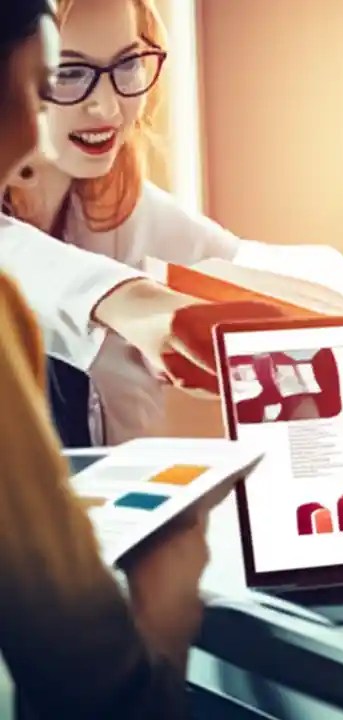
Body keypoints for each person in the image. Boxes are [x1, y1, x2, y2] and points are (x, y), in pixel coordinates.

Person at [0, 0, 214, 715]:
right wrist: (165, 610)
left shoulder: (140, 214)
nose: (104, 103)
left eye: (128, 66)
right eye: (56, 79)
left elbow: (257, 273)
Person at [2, 0, 257, 446]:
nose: (107, 107)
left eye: (128, 63)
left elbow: (252, 264)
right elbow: (21, 261)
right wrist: (128, 300)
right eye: (67, 74)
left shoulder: (118, 202)